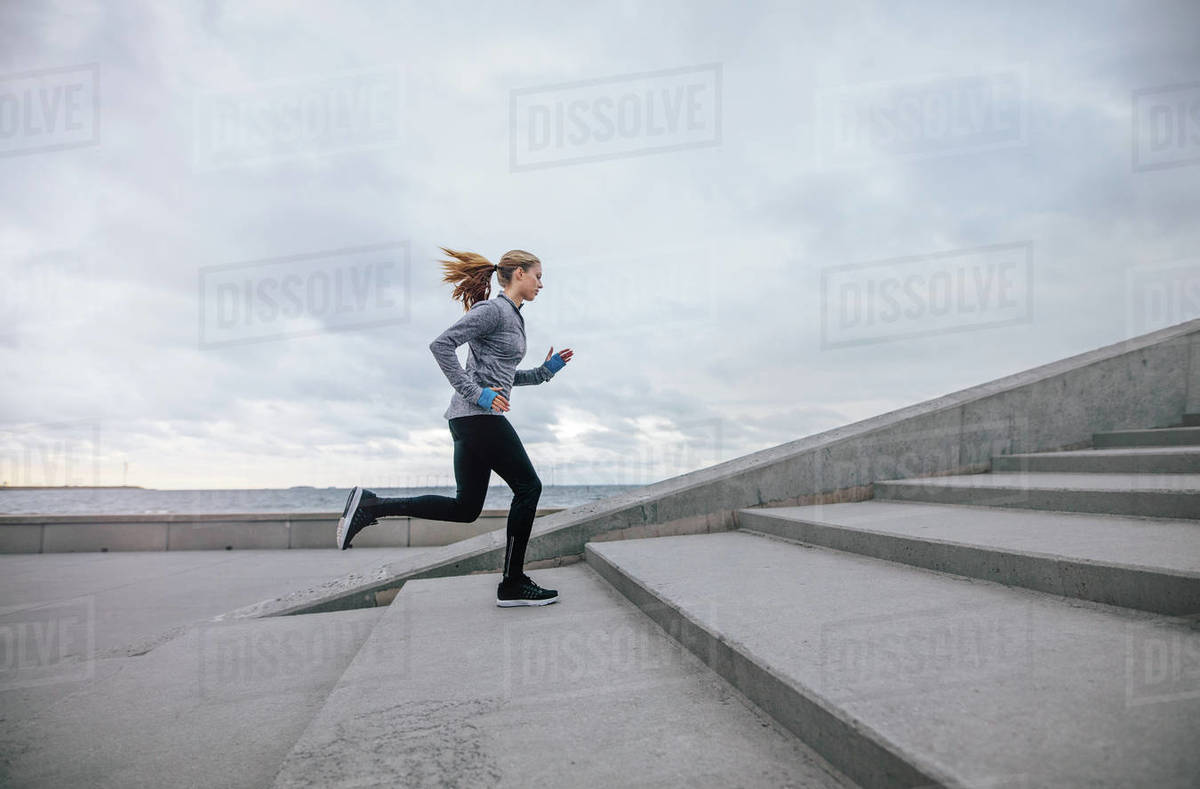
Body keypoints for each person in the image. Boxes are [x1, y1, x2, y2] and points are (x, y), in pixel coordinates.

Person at [335, 247, 573, 607]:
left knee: (466, 508)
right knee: (529, 487)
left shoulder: (512, 316)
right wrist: (475, 394)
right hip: (477, 418)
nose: (542, 283)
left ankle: (371, 505)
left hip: (468, 420)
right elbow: (441, 345)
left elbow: (503, 377)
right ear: (519, 274)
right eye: (538, 275)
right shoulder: (492, 310)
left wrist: (544, 372)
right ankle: (512, 582)